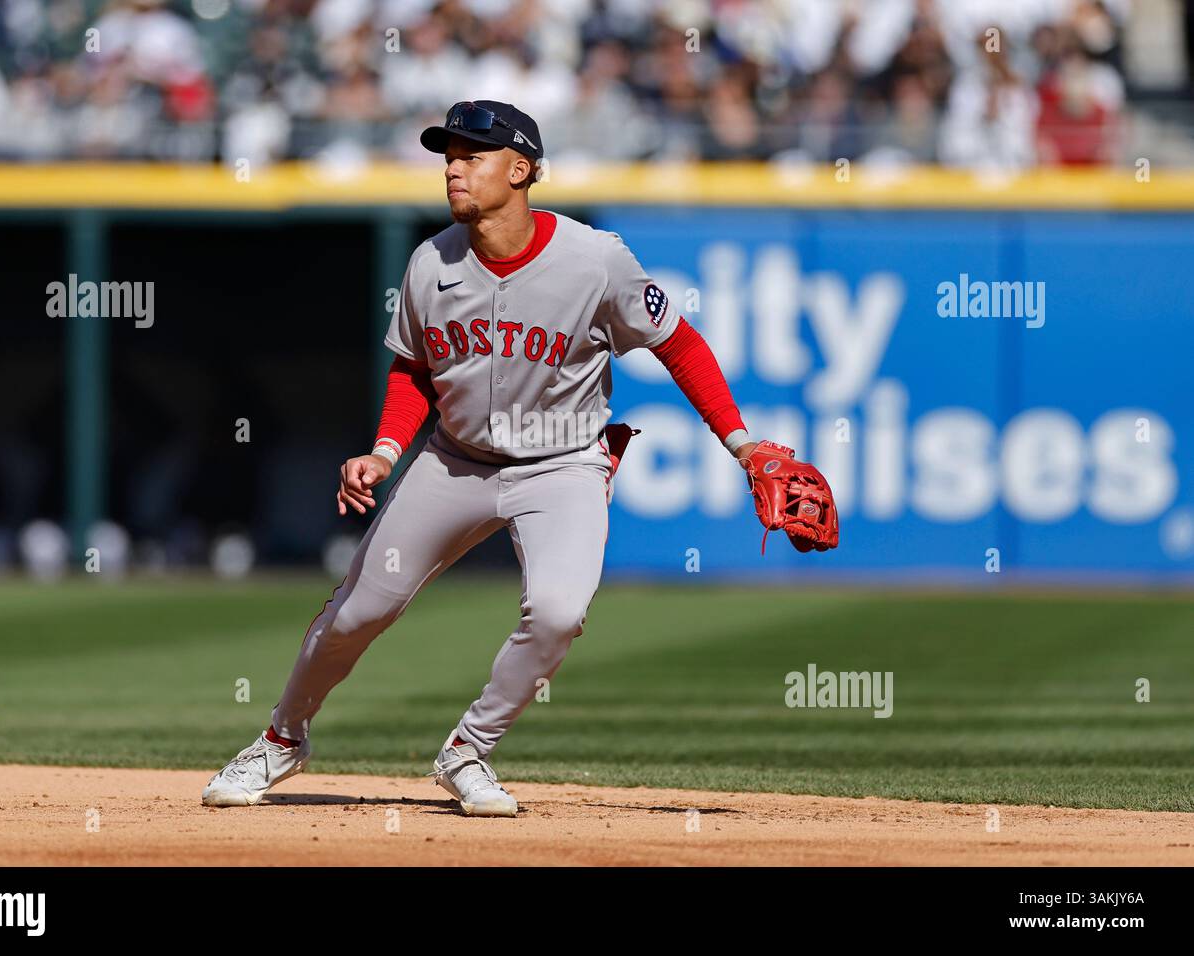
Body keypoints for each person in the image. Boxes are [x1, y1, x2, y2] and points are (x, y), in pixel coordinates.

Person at [201, 100, 815, 816]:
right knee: (356, 614)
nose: (454, 170)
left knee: (557, 613)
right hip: (454, 461)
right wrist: (384, 451)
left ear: (520, 169)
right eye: (449, 157)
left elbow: (677, 343)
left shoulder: (596, 259)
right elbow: (412, 371)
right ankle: (282, 737)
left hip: (563, 467)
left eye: (472, 157)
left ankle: (467, 751)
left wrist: (741, 445)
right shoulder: (431, 262)